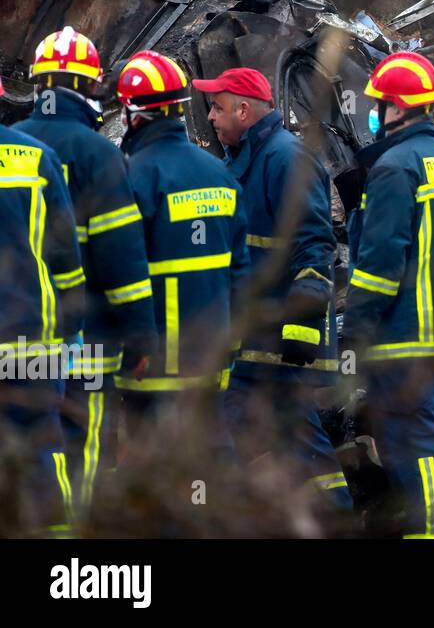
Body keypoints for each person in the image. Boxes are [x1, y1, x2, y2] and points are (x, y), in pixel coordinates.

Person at [193, 66, 351, 515]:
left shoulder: (285, 159)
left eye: (218, 108)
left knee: (291, 444)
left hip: (281, 348)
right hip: (254, 346)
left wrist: (299, 333)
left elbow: (316, 248)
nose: (211, 118)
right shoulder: (245, 160)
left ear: (244, 110)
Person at [14, 27, 155, 516]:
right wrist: (140, 337)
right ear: (91, 87)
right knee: (85, 447)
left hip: (28, 339)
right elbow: (123, 262)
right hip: (90, 339)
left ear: (39, 84)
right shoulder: (102, 156)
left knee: (31, 451)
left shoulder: (17, 148)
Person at [345, 51, 434, 538]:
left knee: (413, 453)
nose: (375, 111)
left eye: (380, 103)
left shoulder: (395, 167)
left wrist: (354, 335)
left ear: (398, 108)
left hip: (403, 341)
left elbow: (379, 264)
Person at [114, 50, 249, 477]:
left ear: (133, 113)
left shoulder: (133, 178)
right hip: (213, 357)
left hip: (156, 365)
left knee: (158, 478)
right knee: (210, 463)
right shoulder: (219, 173)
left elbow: (121, 276)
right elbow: (241, 273)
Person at [0, 74, 85, 536]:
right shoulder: (36, 158)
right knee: (41, 448)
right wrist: (71, 330)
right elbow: (66, 260)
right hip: (30, 345)